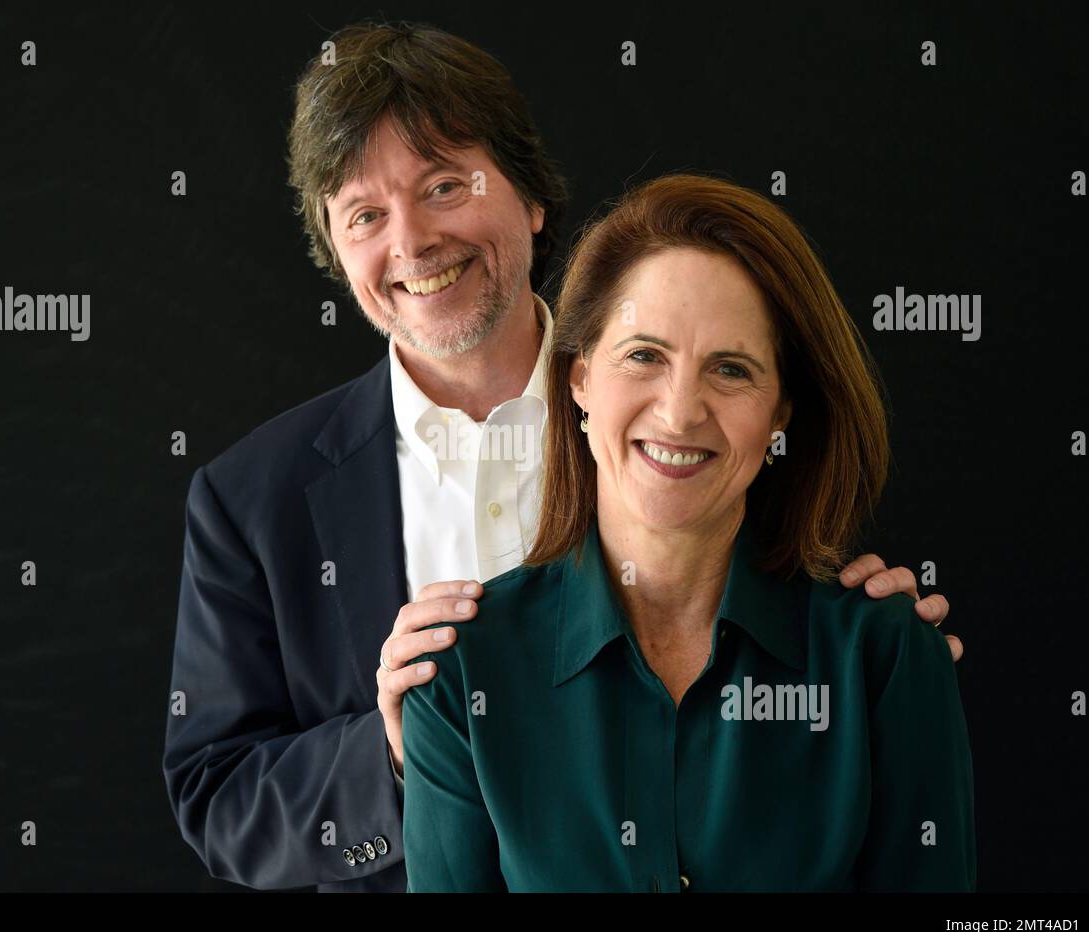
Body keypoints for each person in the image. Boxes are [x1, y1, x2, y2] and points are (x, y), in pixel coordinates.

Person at [163, 21, 966, 894]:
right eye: (365, 214)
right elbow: (218, 799)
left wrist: (884, 658)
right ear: (334, 245)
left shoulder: (674, 430)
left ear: (533, 199)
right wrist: (401, 749)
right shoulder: (249, 499)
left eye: (444, 185)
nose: (413, 241)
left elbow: (796, 604)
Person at [400, 173, 976, 892]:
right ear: (579, 379)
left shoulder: (884, 659)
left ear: (779, 415)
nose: (678, 413)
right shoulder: (459, 677)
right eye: (644, 355)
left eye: (730, 370)